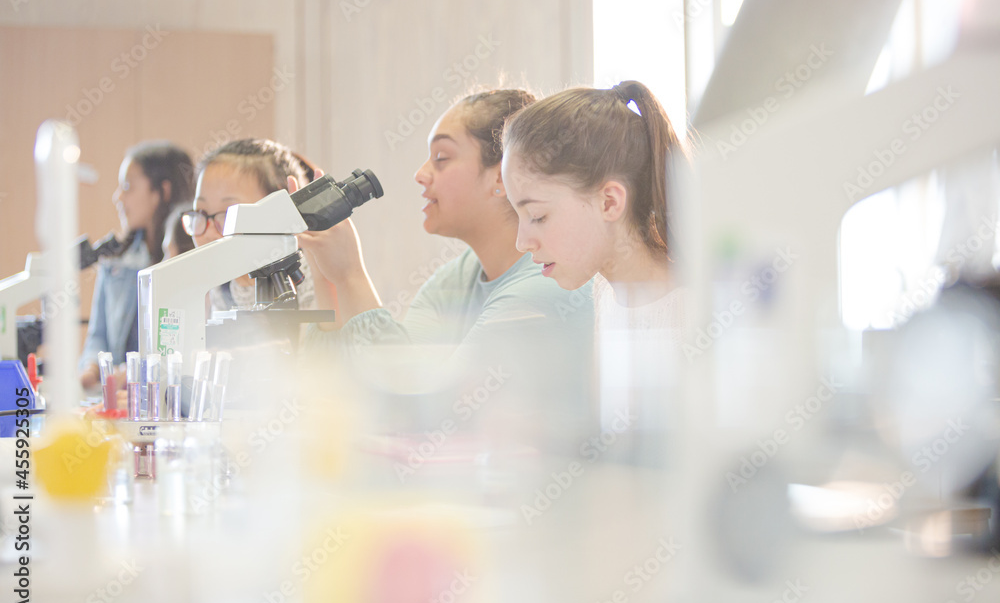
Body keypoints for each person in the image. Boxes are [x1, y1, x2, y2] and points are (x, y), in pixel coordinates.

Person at [298, 88, 593, 357]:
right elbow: (353, 380)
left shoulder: (547, 286)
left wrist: (350, 274)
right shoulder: (460, 276)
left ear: (501, 176)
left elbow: (412, 397)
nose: (420, 174)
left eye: (441, 157)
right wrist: (325, 270)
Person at [501, 80, 687, 465]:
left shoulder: (694, 313)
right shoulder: (606, 298)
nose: (523, 241)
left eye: (537, 216)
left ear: (608, 201)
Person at [80, 141, 194, 391]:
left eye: (128, 187)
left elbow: (188, 350)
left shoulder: (191, 258)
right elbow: (98, 336)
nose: (117, 197)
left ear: (162, 191)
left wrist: (138, 373)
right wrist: (91, 367)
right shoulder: (115, 261)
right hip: (121, 401)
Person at [184, 138, 316, 314]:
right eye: (200, 212)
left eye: (229, 214)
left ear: (280, 213)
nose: (208, 231)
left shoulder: (310, 275)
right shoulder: (221, 285)